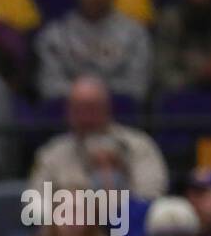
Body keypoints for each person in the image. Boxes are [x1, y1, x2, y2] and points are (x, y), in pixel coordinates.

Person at [29, 77, 168, 200]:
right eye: (78, 110)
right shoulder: (51, 153)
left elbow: (151, 196)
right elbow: (35, 205)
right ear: (68, 113)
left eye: (91, 109)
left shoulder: (139, 145)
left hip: (129, 225)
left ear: (107, 109)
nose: (85, 118)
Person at [36, 0, 152, 103]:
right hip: (67, 118)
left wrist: (93, 95)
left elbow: (137, 87)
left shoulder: (135, 34)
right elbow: (49, 86)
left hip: (119, 116)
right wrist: (86, 95)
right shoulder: (54, 34)